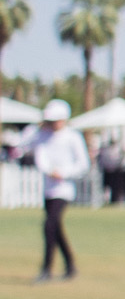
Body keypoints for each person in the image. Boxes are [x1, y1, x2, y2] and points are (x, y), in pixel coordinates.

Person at [33, 98, 90, 282]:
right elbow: (39, 156)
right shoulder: (43, 135)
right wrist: (49, 171)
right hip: (48, 189)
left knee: (49, 226)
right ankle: (70, 265)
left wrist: (64, 173)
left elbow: (83, 164)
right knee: (55, 228)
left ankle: (46, 269)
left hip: (64, 189)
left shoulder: (73, 137)